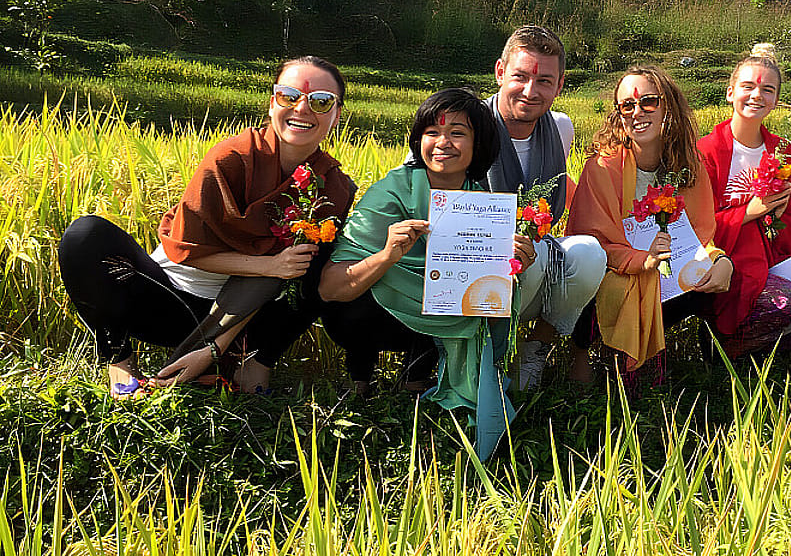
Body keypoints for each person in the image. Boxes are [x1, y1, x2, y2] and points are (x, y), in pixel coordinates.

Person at [58, 56, 355, 397]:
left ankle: (254, 364)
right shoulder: (231, 159)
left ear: (337, 114)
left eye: (321, 101)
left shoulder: (333, 187)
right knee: (85, 235)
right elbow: (186, 251)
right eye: (289, 96)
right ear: (273, 102)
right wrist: (268, 265)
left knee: (328, 258)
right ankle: (119, 360)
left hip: (248, 319)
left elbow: (285, 278)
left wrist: (214, 347)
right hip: (172, 300)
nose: (302, 109)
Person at [319, 88, 534, 460]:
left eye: (457, 133)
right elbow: (329, 288)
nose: (442, 142)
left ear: (478, 144)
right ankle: (360, 379)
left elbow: (485, 289)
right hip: (369, 315)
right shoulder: (391, 192)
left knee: (454, 293)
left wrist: (512, 263)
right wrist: (386, 256)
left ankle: (417, 378)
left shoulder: (480, 202)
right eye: (432, 132)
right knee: (379, 293)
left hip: (431, 317)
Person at [566, 66, 733, 381]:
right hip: (614, 270)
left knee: (709, 280)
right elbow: (592, 244)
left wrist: (720, 259)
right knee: (598, 272)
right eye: (627, 105)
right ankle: (582, 349)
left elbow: (697, 237)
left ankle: (708, 362)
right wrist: (642, 260)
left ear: (668, 106)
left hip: (664, 269)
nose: (637, 112)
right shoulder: (601, 168)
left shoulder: (689, 165)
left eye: (648, 102)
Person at [484, 26, 606, 388]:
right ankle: (486, 356)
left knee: (590, 254)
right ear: (500, 71)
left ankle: (536, 347)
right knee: (529, 254)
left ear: (560, 84)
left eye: (544, 81)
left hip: (533, 264)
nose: (530, 91)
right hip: (475, 266)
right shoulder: (468, 123)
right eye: (520, 76)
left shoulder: (560, 128)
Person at [696, 43, 791, 359]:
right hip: (721, 263)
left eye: (767, 90)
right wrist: (749, 213)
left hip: (768, 258)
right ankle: (723, 350)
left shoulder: (783, 152)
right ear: (730, 92)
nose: (757, 95)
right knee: (789, 301)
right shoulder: (705, 152)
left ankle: (756, 351)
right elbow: (694, 224)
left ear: (776, 100)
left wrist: (776, 218)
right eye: (748, 86)